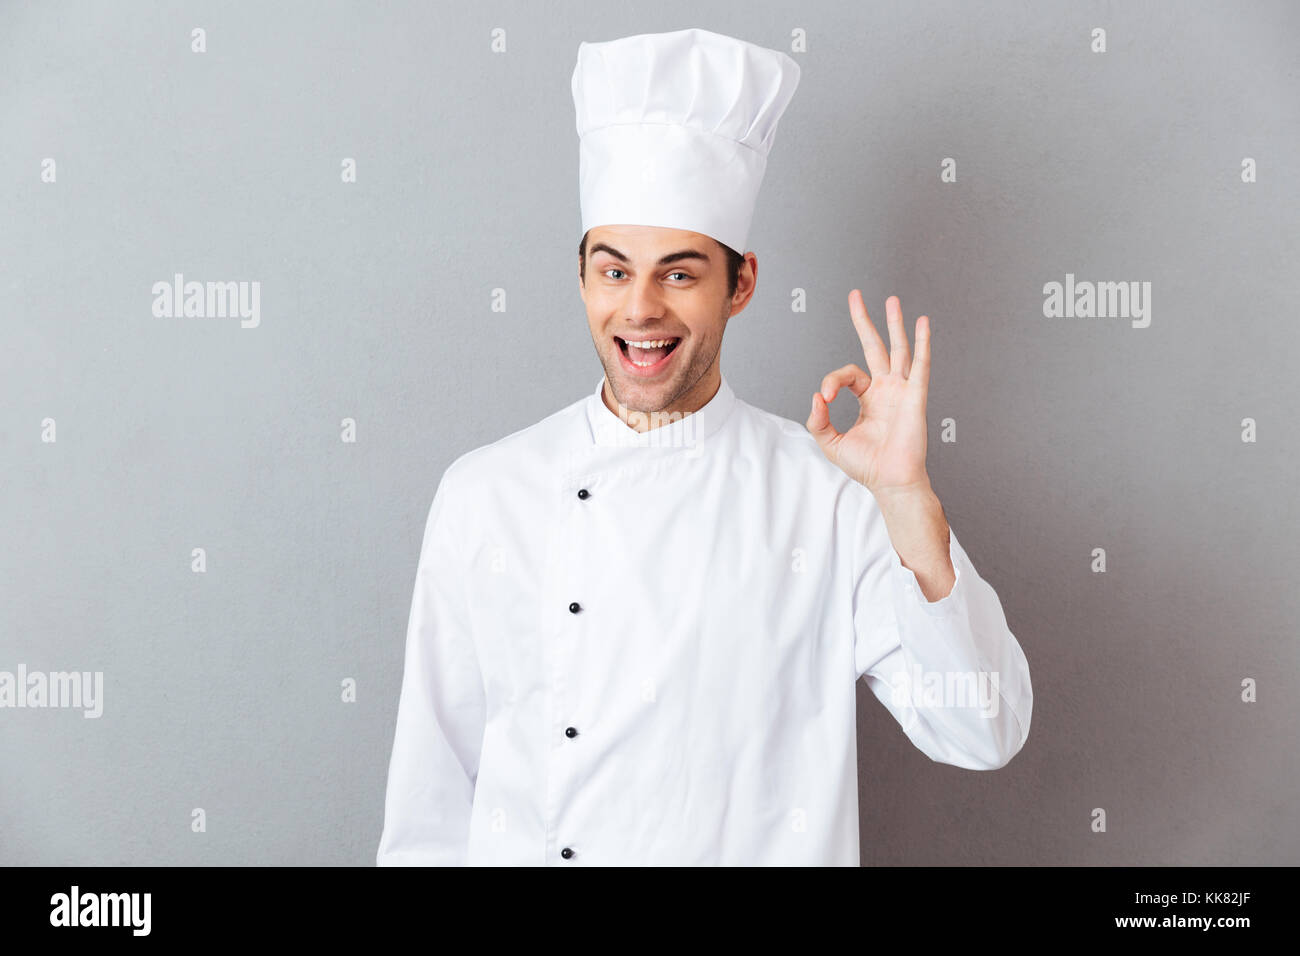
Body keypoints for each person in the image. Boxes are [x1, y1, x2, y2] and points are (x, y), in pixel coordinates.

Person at [376, 27, 1031, 866]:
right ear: (582, 279)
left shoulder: (828, 497)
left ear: (742, 284)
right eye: (615, 271)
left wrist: (907, 500)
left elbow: (983, 729)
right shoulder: (485, 493)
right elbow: (431, 803)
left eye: (679, 274)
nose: (641, 310)